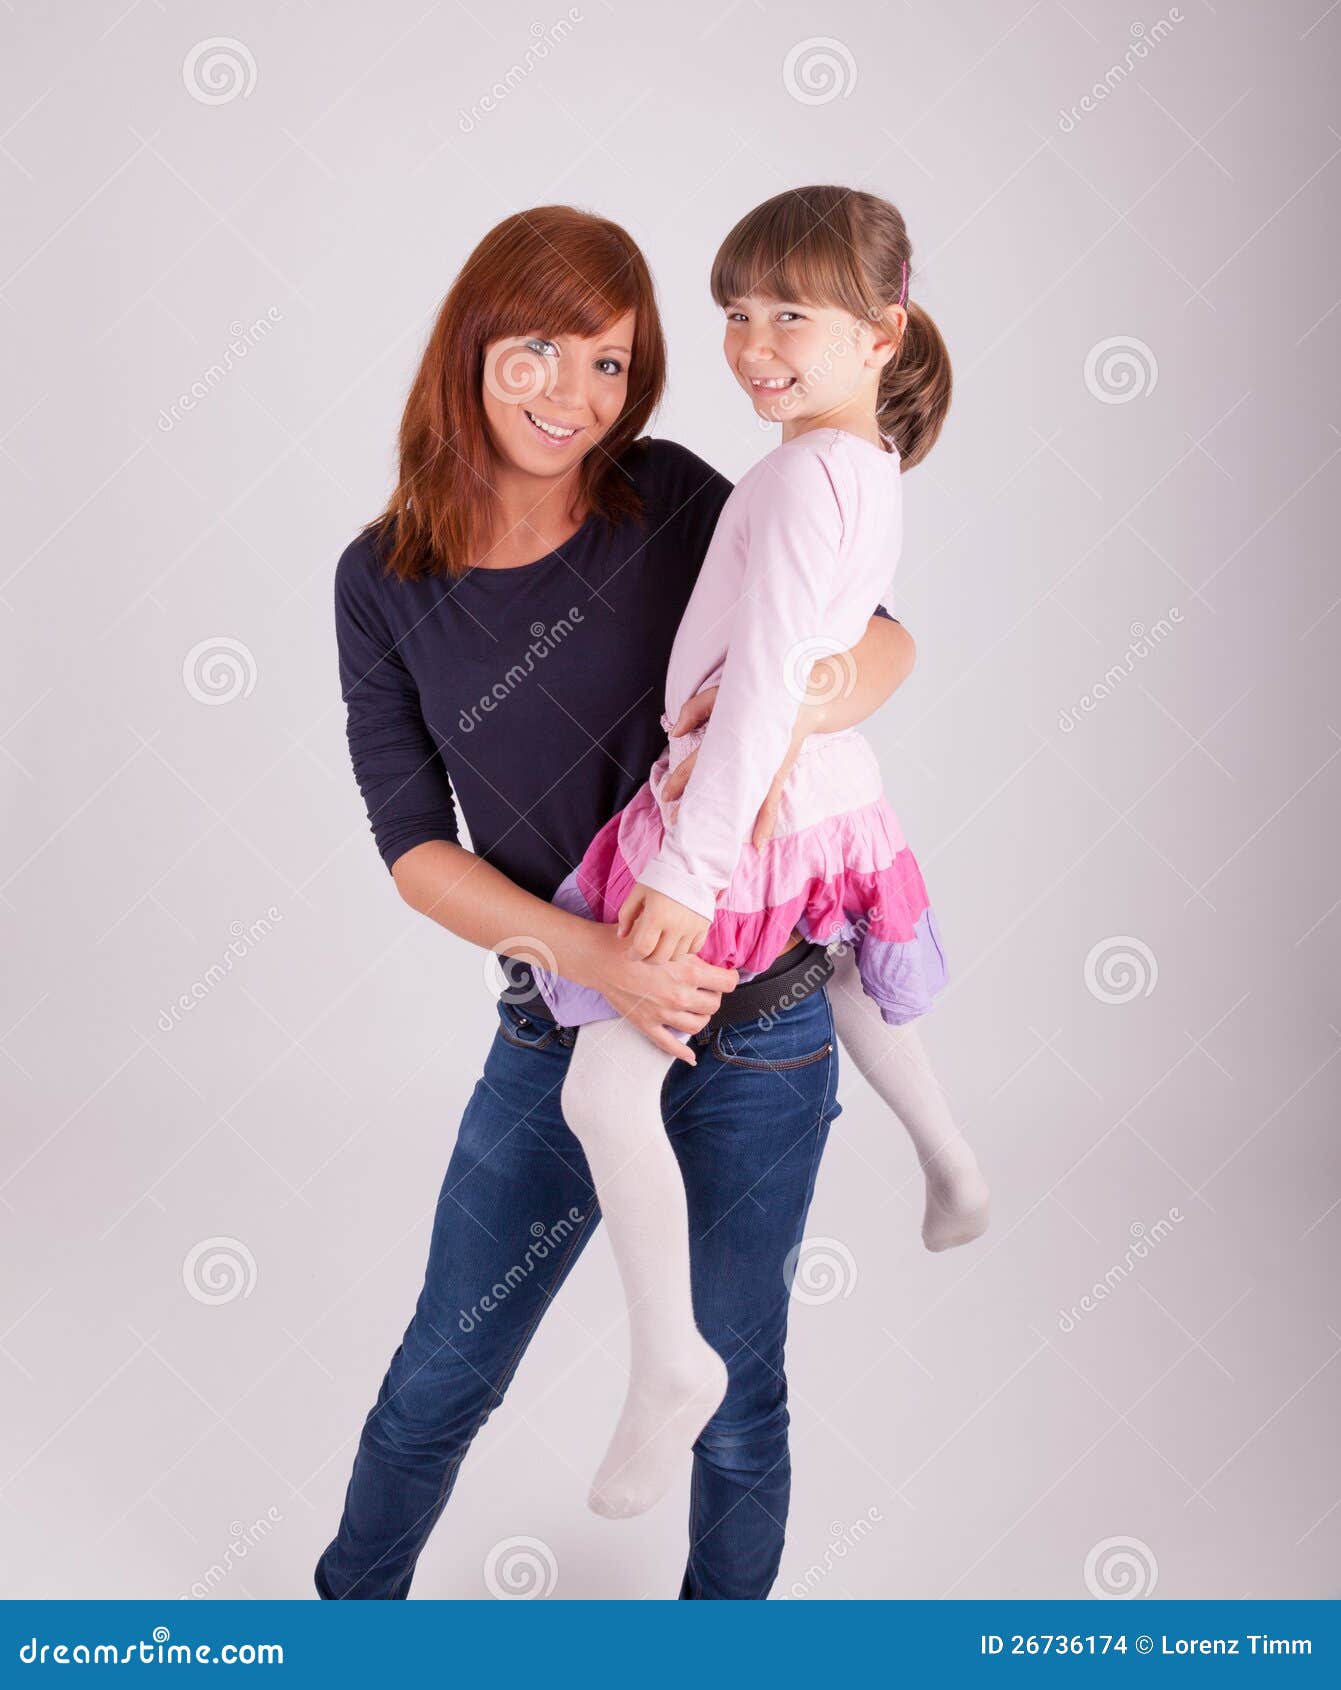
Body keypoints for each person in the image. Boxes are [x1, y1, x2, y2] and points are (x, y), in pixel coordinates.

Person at [314, 202, 915, 1601]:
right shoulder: (384, 577)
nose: (570, 398)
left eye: (606, 363)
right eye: (534, 351)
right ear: (469, 350)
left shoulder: (674, 497)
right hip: (560, 1024)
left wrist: (783, 715)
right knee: (443, 1366)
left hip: (756, 1025)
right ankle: (348, 1624)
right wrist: (597, 954)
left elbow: (876, 635)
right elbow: (411, 846)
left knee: (734, 1387)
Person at [535, 186, 991, 1522]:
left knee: (601, 1091)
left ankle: (670, 1359)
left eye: (788, 314)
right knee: (842, 964)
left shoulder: (801, 476)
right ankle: (950, 1154)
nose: (749, 344)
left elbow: (776, 677)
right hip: (831, 801)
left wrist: (683, 866)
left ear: (881, 330)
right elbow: (818, 669)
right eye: (735, 313)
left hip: (741, 820)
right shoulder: (861, 466)